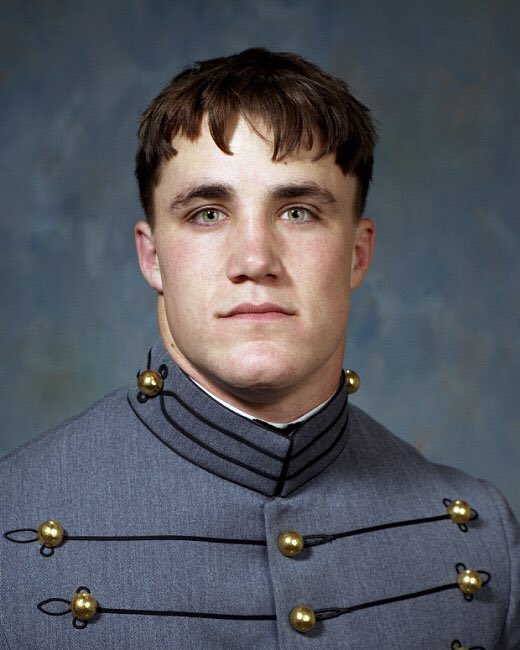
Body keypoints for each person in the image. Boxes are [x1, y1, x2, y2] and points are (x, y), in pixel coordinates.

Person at [1, 48, 518, 649]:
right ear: (152, 256)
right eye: (207, 213)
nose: (254, 260)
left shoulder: (482, 539)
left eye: (298, 212)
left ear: (358, 254)